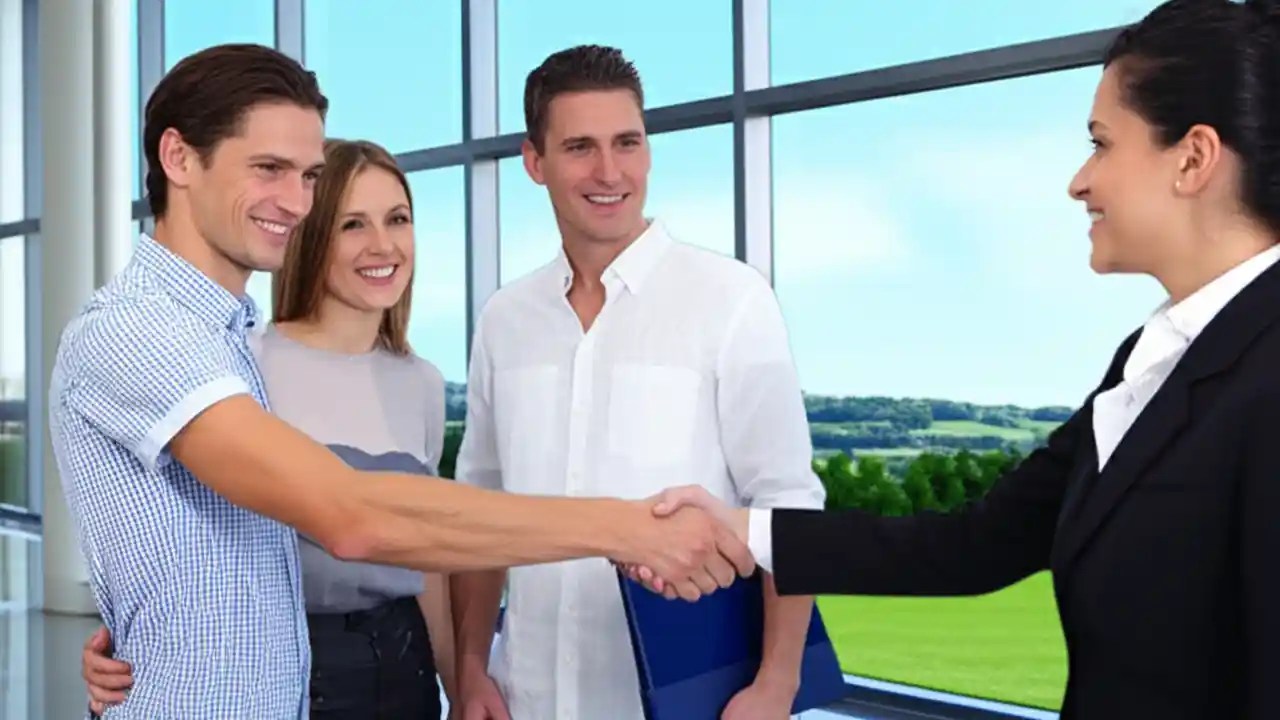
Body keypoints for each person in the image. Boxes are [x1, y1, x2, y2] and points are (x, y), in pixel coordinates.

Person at [48, 43, 751, 719]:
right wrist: (628, 527)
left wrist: (146, 620)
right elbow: (353, 517)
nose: (294, 202)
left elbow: (237, 555)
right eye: (268, 168)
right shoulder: (138, 333)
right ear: (178, 158)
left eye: (307, 175)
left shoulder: (223, 338)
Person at [630, 1, 1280, 718]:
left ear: (1192, 159)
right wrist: (741, 529)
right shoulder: (1152, 360)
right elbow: (975, 544)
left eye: (1101, 143)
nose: (1079, 181)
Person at [448, 45, 826, 720]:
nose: (610, 172)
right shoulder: (505, 319)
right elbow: (480, 514)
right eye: (580, 148)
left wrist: (777, 686)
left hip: (683, 705)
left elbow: (788, 505)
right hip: (524, 698)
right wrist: (470, 672)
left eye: (628, 143)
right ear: (535, 162)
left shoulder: (731, 298)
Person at [78, 139, 461, 718]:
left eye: (398, 219)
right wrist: (129, 648)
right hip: (290, 666)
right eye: (352, 224)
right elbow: (183, 539)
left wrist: (460, 682)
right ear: (311, 235)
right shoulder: (243, 365)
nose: (382, 245)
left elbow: (423, 556)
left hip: (403, 665)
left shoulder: (424, 384)